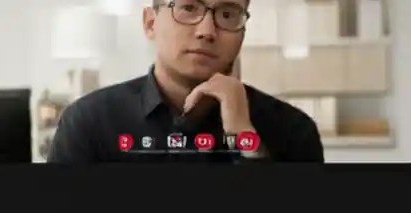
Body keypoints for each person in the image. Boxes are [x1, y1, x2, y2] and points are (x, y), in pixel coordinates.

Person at [47, 0, 324, 163]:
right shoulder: (88, 123)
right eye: (189, 7)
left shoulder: (292, 131)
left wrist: (244, 137)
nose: (207, 31)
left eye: (227, 14)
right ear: (150, 23)